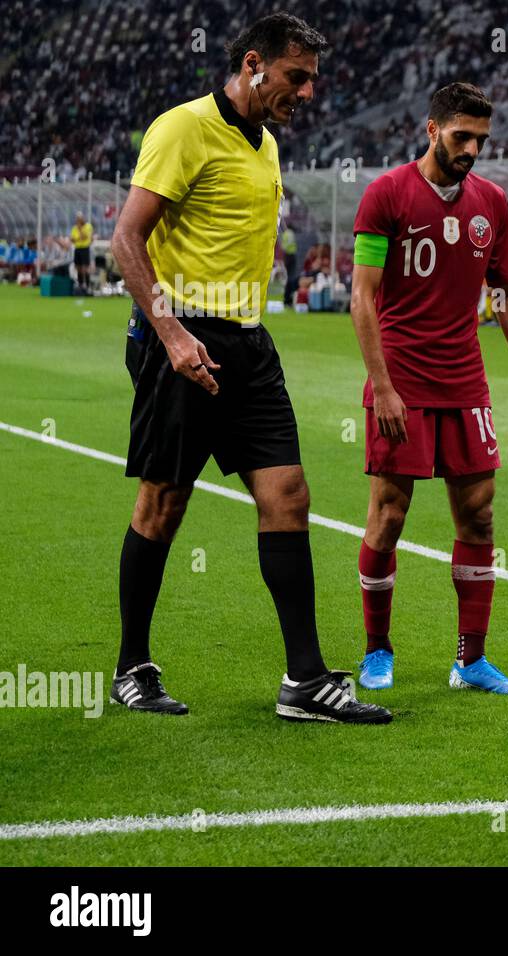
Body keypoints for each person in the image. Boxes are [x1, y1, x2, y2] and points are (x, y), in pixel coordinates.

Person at [110, 13, 390, 723]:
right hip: (182, 341)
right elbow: (126, 238)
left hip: (246, 342)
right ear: (255, 63)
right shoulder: (181, 128)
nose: (307, 92)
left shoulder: (264, 144)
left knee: (288, 495)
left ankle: (304, 682)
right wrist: (171, 334)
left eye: (312, 80)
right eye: (297, 77)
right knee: (163, 505)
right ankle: (131, 666)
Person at [349, 82, 508, 694]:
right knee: (389, 514)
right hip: (400, 378)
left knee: (479, 518)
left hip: (466, 381)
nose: (472, 149)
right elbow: (362, 297)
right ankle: (378, 650)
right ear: (431, 129)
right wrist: (382, 388)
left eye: (481, 139)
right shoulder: (387, 195)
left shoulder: (492, 203)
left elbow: (504, 293)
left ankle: (471, 661)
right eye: (462, 137)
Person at [70, 213, 93, 294]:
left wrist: (80, 230)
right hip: (77, 249)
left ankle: (87, 286)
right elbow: (72, 239)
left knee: (85, 268)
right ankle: (80, 286)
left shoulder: (88, 226)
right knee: (78, 268)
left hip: (85, 248)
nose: (78, 220)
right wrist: (77, 238)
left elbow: (85, 237)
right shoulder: (74, 228)